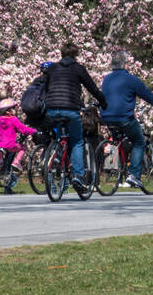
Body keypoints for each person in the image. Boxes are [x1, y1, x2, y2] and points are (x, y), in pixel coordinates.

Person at [42, 42, 107, 191]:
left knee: (58, 137)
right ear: (75, 55)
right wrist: (103, 102)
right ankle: (78, 176)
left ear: (61, 53)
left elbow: (46, 88)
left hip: (52, 110)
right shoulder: (78, 69)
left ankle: (56, 155)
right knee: (77, 141)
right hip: (70, 110)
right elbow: (92, 88)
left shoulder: (52, 68)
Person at [100, 50, 153, 191]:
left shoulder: (106, 79)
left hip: (107, 118)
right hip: (124, 118)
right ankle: (134, 175)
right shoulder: (131, 80)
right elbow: (146, 95)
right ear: (125, 63)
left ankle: (119, 170)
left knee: (119, 139)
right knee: (139, 142)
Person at [0, 98, 38, 193]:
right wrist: (33, 131)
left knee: (1, 161)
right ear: (9, 111)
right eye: (13, 109)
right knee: (23, 148)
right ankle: (16, 162)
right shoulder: (13, 119)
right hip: (10, 145)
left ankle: (0, 162)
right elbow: (23, 129)